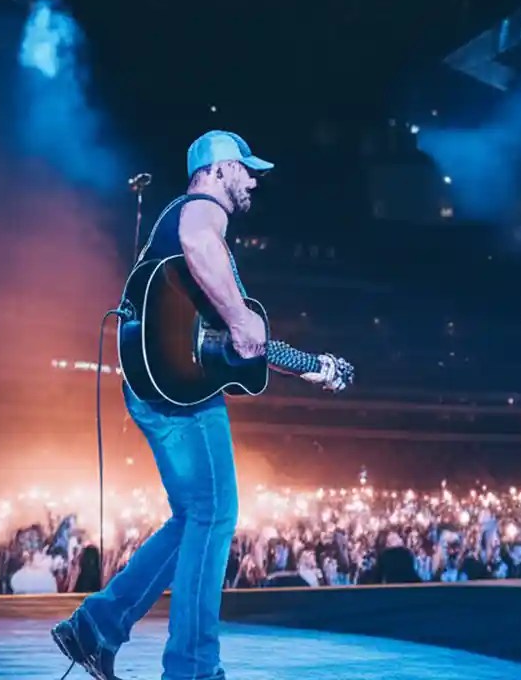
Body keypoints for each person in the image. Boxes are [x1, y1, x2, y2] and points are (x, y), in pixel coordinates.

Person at [52, 131, 348, 680]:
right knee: (215, 515)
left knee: (193, 517)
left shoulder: (194, 231)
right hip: (181, 396)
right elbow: (199, 244)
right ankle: (192, 669)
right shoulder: (200, 209)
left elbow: (245, 349)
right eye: (245, 169)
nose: (253, 180)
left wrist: (311, 365)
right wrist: (239, 318)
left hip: (156, 389)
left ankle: (96, 627)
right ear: (214, 170)